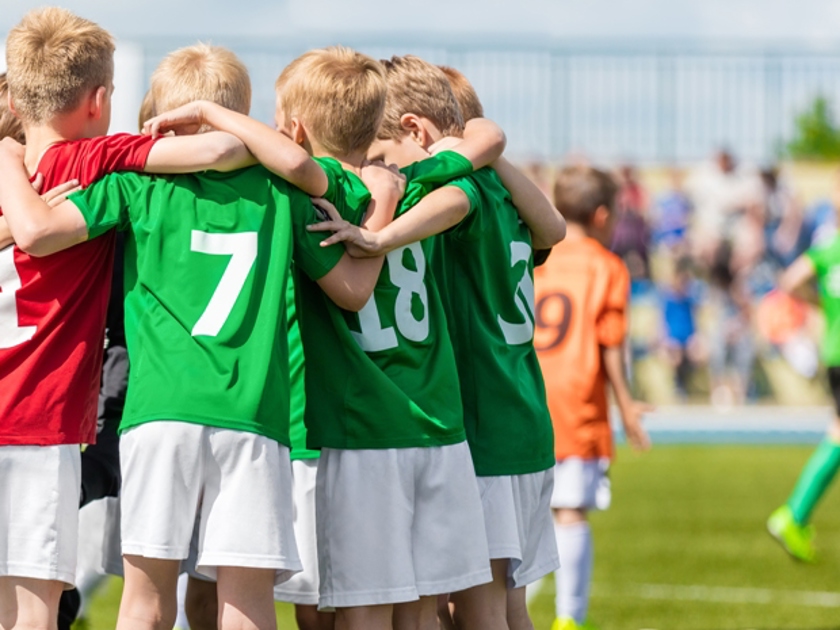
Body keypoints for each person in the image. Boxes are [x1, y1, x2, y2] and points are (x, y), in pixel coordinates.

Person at [0, 40, 404, 630]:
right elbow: (349, 290)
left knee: (146, 601)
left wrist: (11, 157)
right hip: (254, 418)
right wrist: (382, 216)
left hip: (158, 413)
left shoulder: (133, 184)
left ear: (157, 118)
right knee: (245, 602)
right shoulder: (281, 192)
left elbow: (36, 232)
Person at [146, 46, 507, 630]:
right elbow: (486, 139)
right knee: (419, 613)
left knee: (355, 611)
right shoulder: (411, 180)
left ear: (293, 127)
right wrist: (387, 198)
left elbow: (348, 288)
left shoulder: (312, 194)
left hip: (357, 431)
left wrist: (217, 119)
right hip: (440, 423)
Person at [0, 10, 260, 629]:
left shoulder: (12, 165)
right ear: (98, 99)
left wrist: (9, 153)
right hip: (39, 419)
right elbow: (225, 148)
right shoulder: (99, 162)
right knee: (34, 612)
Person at [340, 59, 566, 630]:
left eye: (382, 151)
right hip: (522, 418)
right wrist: (486, 147)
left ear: (417, 131)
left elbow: (452, 193)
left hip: (484, 428)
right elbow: (554, 229)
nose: (375, 166)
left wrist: (380, 232)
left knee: (479, 606)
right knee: (500, 602)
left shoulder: (453, 189)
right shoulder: (507, 193)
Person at [534, 165, 652, 630]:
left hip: (527, 391)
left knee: (519, 515)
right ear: (603, 215)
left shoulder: (537, 253)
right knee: (571, 511)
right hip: (576, 399)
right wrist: (626, 405)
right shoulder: (607, 266)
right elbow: (611, 344)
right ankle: (569, 619)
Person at [766, 224, 840, 562]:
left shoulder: (830, 248)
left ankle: (795, 514)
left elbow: (790, 281)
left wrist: (822, 300)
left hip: (834, 352)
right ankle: (794, 514)